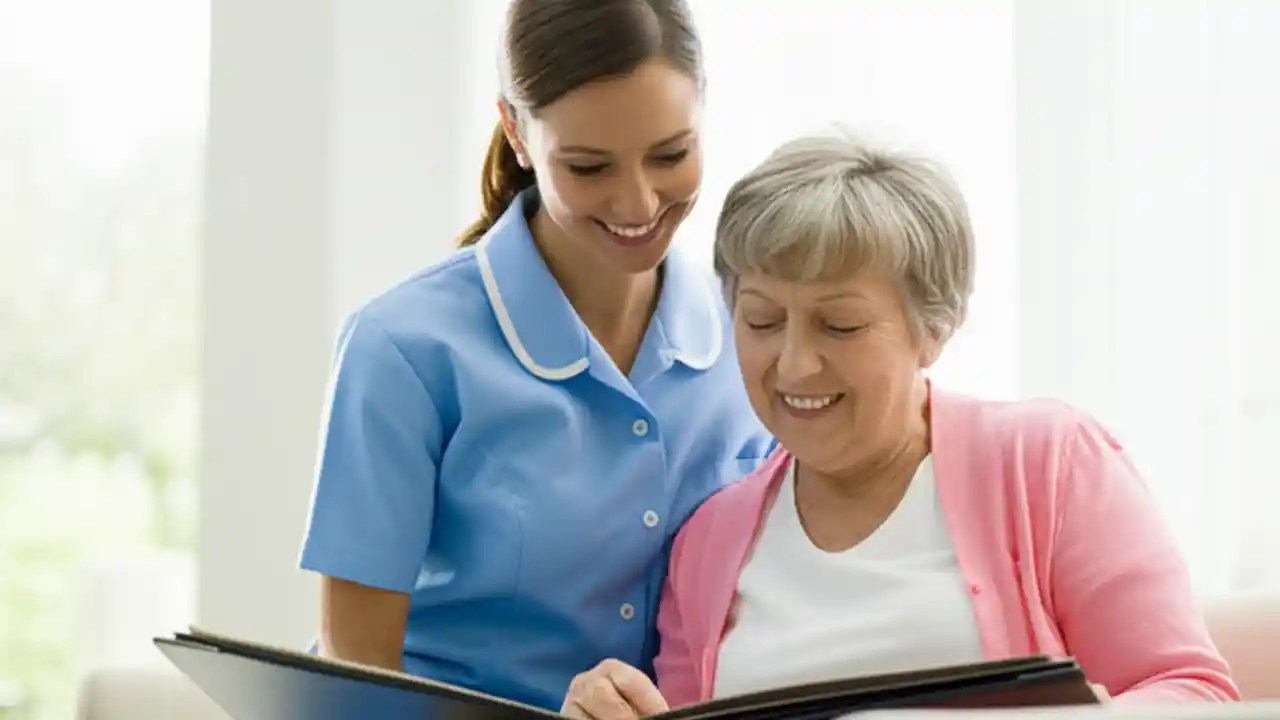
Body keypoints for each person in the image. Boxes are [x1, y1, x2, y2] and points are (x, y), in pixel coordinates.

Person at [562, 128, 1240, 717]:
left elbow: (1191, 691)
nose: (794, 366)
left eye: (841, 325)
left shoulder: (1049, 462)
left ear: (933, 330)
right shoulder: (708, 541)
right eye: (763, 319)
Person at [297, 0, 772, 712]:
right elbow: (355, 674)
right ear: (516, 133)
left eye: (671, 155)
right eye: (588, 166)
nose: (638, 200)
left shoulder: (751, 340)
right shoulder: (403, 351)